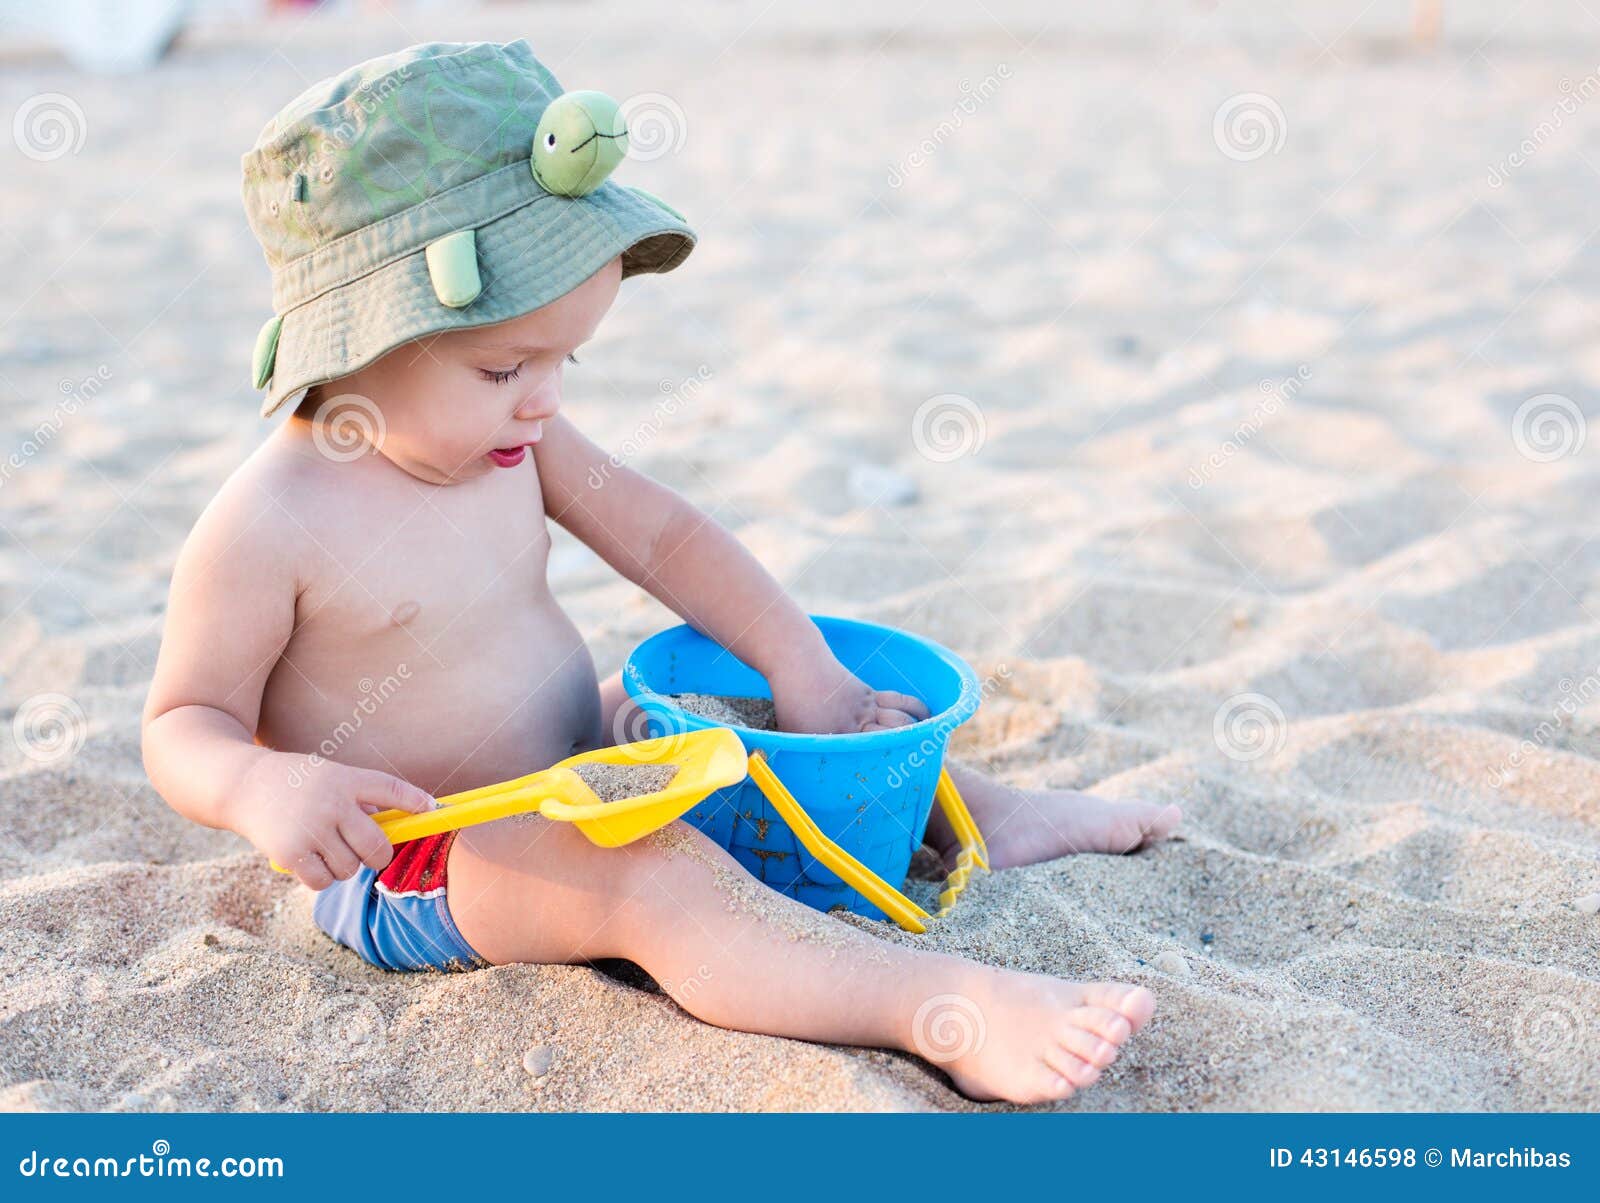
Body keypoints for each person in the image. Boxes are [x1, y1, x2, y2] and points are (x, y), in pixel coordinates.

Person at [142, 41, 1180, 1105]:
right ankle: (937, 1008)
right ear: (358, 344)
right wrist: (263, 785)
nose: (542, 398)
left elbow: (669, 541)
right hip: (421, 857)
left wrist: (803, 668)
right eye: (505, 367)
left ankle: (974, 813)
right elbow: (181, 722)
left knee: (725, 713)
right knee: (650, 875)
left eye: (563, 362)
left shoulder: (514, 433)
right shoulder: (265, 526)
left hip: (577, 752)